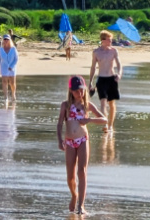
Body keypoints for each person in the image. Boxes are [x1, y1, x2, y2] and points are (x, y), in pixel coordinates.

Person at [57, 75, 107, 215]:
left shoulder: (87, 106)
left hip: (83, 140)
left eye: (81, 90)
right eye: (76, 91)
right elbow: (60, 123)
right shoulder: (65, 105)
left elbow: (104, 119)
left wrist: (89, 120)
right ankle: (74, 195)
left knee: (82, 171)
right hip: (69, 142)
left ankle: (81, 206)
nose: (79, 93)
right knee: (70, 176)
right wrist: (59, 139)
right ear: (71, 91)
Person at [89, 31, 123, 131]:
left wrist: (119, 74)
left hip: (112, 79)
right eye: (109, 39)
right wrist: (91, 81)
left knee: (111, 104)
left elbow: (119, 64)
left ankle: (111, 125)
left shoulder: (113, 51)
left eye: (111, 39)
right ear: (103, 40)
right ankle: (105, 124)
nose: (111, 41)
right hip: (101, 79)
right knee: (103, 102)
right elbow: (93, 67)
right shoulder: (96, 52)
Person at [0, 31, 18, 106]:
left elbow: (16, 59)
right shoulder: (1, 49)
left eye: (7, 39)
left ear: (9, 40)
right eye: (5, 39)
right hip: (4, 67)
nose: (6, 40)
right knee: (4, 82)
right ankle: (6, 97)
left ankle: (13, 95)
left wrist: (11, 66)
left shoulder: (13, 49)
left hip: (12, 68)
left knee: (12, 83)